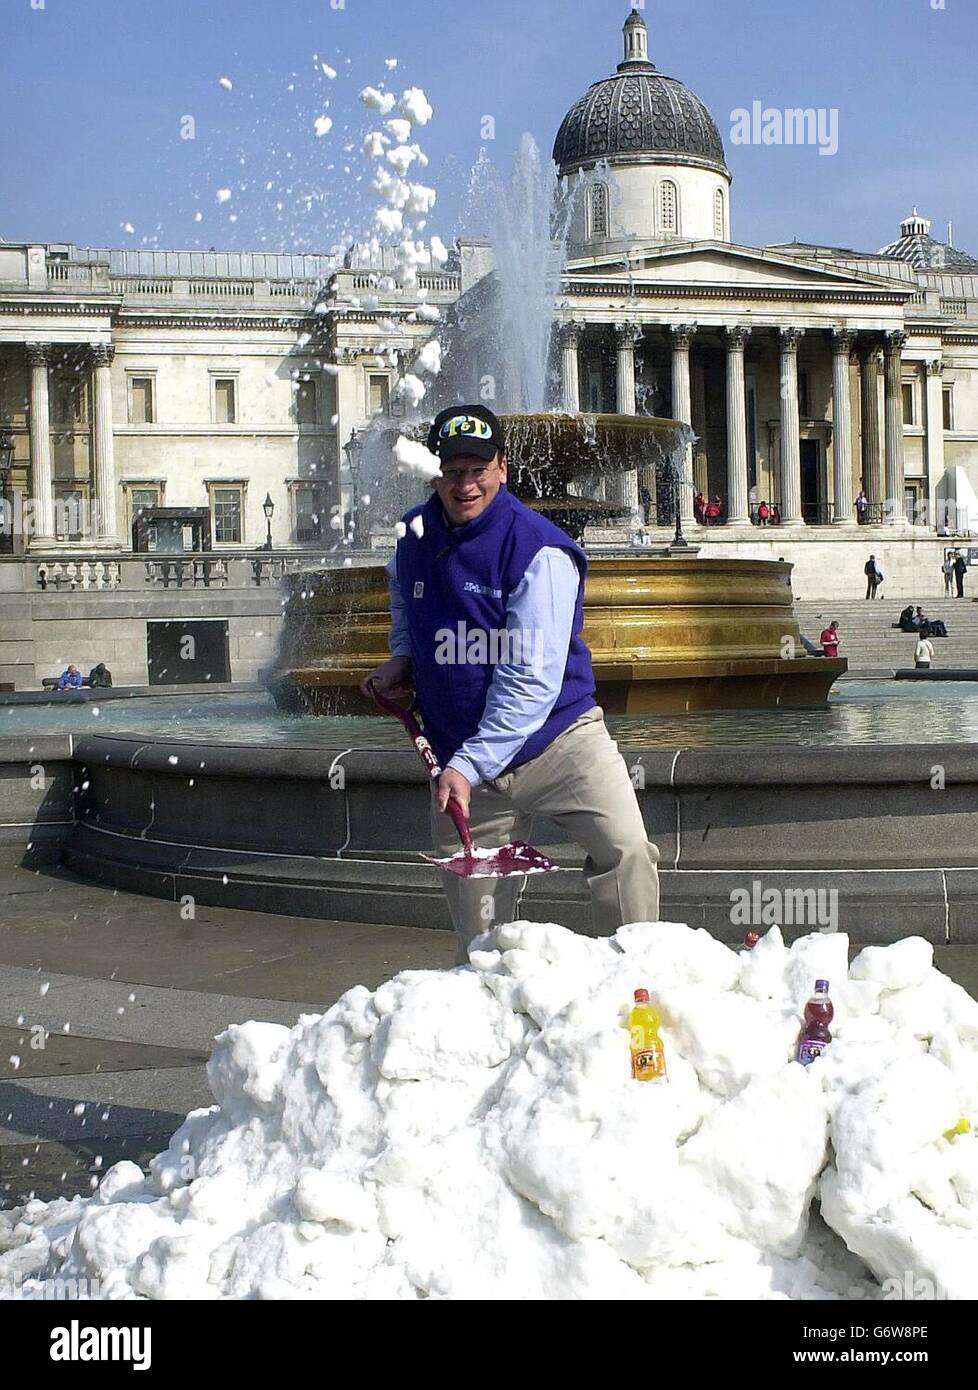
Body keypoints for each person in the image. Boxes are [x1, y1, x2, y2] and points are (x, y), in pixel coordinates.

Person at [362, 404, 661, 965]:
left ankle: (635, 982)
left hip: (561, 740)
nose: (465, 484)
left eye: (477, 469)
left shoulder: (539, 549)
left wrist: (467, 764)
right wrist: (403, 657)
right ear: (436, 473)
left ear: (502, 467)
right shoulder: (414, 534)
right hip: (462, 752)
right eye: (452, 471)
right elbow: (403, 595)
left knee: (625, 852)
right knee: (476, 929)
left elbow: (530, 683)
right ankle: (485, 1012)